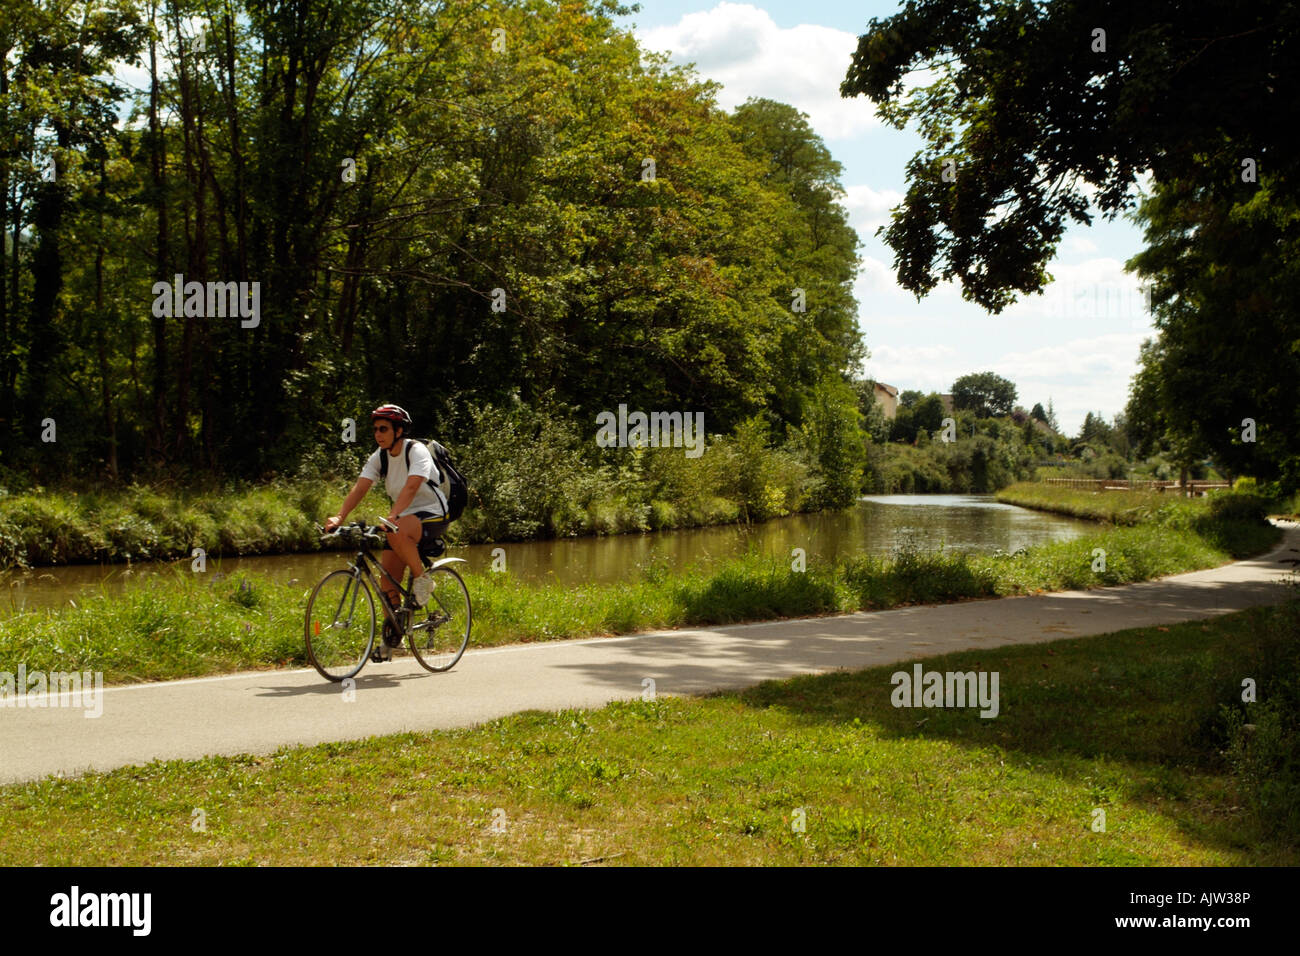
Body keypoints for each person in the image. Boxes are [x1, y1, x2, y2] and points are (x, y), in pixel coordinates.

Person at [324, 403, 449, 658]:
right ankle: (394, 639)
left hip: (433, 513)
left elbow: (413, 486)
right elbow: (360, 488)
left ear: (399, 430)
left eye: (384, 429)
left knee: (396, 529)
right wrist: (339, 516)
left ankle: (423, 581)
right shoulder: (379, 456)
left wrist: (392, 515)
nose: (378, 434)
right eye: (375, 429)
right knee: (387, 580)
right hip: (402, 519)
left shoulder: (416, 452)